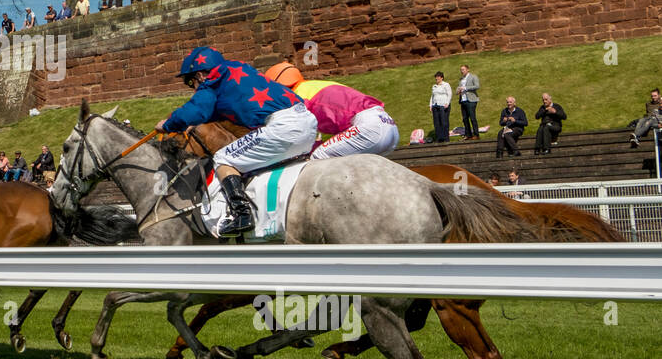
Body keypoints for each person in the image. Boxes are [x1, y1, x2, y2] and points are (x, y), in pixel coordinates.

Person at [157, 47, 316, 236]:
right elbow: (217, 110)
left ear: (199, 74)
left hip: (283, 128)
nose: (194, 88)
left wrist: (168, 124)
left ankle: (242, 215)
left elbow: (197, 111)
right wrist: (192, 122)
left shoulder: (212, 81)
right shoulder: (238, 69)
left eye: (191, 82)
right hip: (308, 123)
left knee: (223, 158)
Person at [265, 63, 399, 159]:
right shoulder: (316, 84)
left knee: (318, 157)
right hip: (389, 126)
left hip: (369, 127)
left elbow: (297, 133)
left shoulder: (297, 95)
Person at [457, 65, 480, 140]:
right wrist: (458, 91)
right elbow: (457, 89)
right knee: (465, 118)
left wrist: (466, 88)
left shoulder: (473, 77)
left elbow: (477, 86)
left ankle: (476, 134)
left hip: (471, 100)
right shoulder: (461, 79)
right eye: (461, 70)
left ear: (468, 70)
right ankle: (468, 134)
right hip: (463, 100)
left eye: (463, 69)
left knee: (472, 118)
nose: (462, 71)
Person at [430, 71, 452, 144]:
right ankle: (439, 138)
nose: (437, 79)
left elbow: (449, 94)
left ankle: (446, 138)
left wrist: (447, 103)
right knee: (436, 123)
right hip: (435, 106)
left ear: (442, 78)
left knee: (444, 122)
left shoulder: (446, 85)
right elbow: (432, 96)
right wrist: (431, 105)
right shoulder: (434, 86)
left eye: (438, 77)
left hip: (443, 105)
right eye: (436, 77)